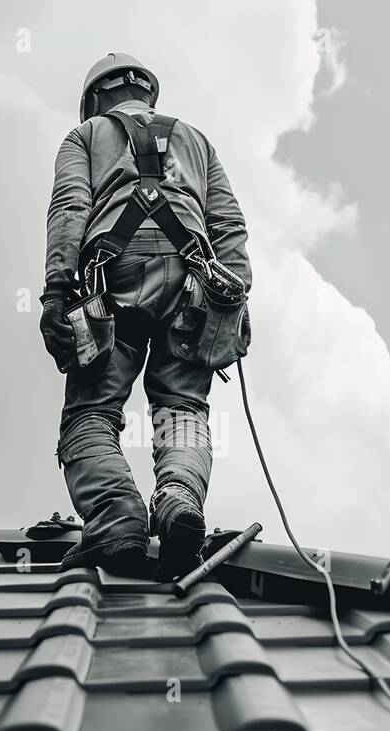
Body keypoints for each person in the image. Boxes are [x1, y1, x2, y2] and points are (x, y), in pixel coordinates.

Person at [39, 53, 252, 580]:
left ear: (93, 99)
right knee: (182, 407)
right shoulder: (196, 139)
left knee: (90, 413)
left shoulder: (84, 135)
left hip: (114, 277)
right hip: (194, 280)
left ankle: (118, 523)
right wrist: (235, 301)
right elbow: (229, 226)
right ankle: (180, 500)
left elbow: (69, 209)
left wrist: (56, 292)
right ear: (146, 93)